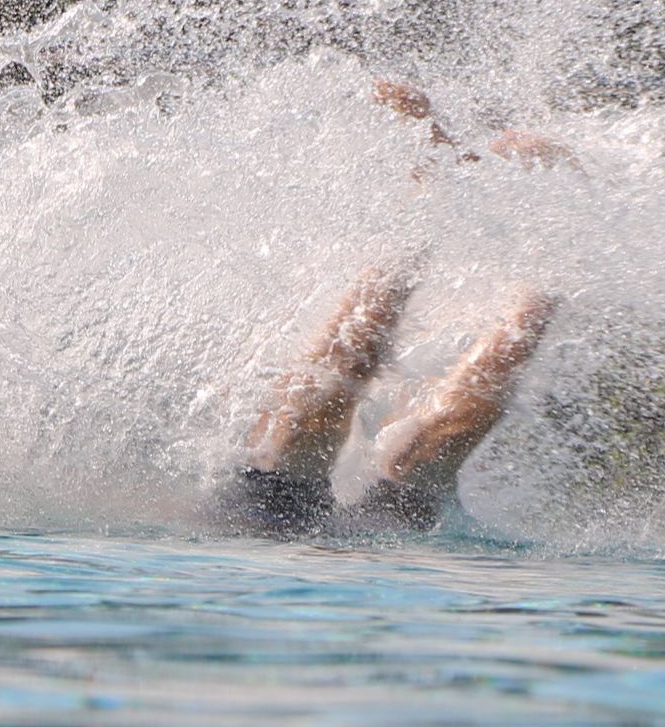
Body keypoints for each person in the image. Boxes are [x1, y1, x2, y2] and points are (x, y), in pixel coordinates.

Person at [207, 76, 566, 536]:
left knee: (318, 409)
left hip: (267, 516)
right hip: (377, 530)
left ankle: (429, 199)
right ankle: (549, 272)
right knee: (433, 445)